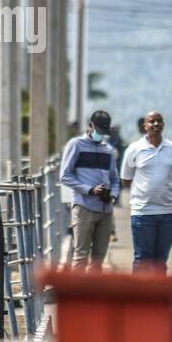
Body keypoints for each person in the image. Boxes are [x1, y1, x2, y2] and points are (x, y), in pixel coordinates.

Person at [119, 110, 172, 273]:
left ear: (163, 124)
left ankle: (158, 298)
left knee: (160, 261)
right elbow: (126, 180)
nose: (156, 124)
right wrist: (143, 194)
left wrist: (162, 192)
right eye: (152, 121)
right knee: (142, 260)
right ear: (144, 125)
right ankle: (138, 298)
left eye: (159, 121)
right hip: (142, 214)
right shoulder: (134, 149)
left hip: (168, 214)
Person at [59, 109, 120, 270]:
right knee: (81, 257)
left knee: (98, 260)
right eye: (99, 131)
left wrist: (112, 196)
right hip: (84, 207)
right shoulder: (76, 145)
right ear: (91, 126)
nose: (101, 135)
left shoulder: (108, 150)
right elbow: (65, 175)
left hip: (105, 210)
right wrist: (90, 190)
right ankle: (75, 294)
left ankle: (94, 294)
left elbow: (115, 179)